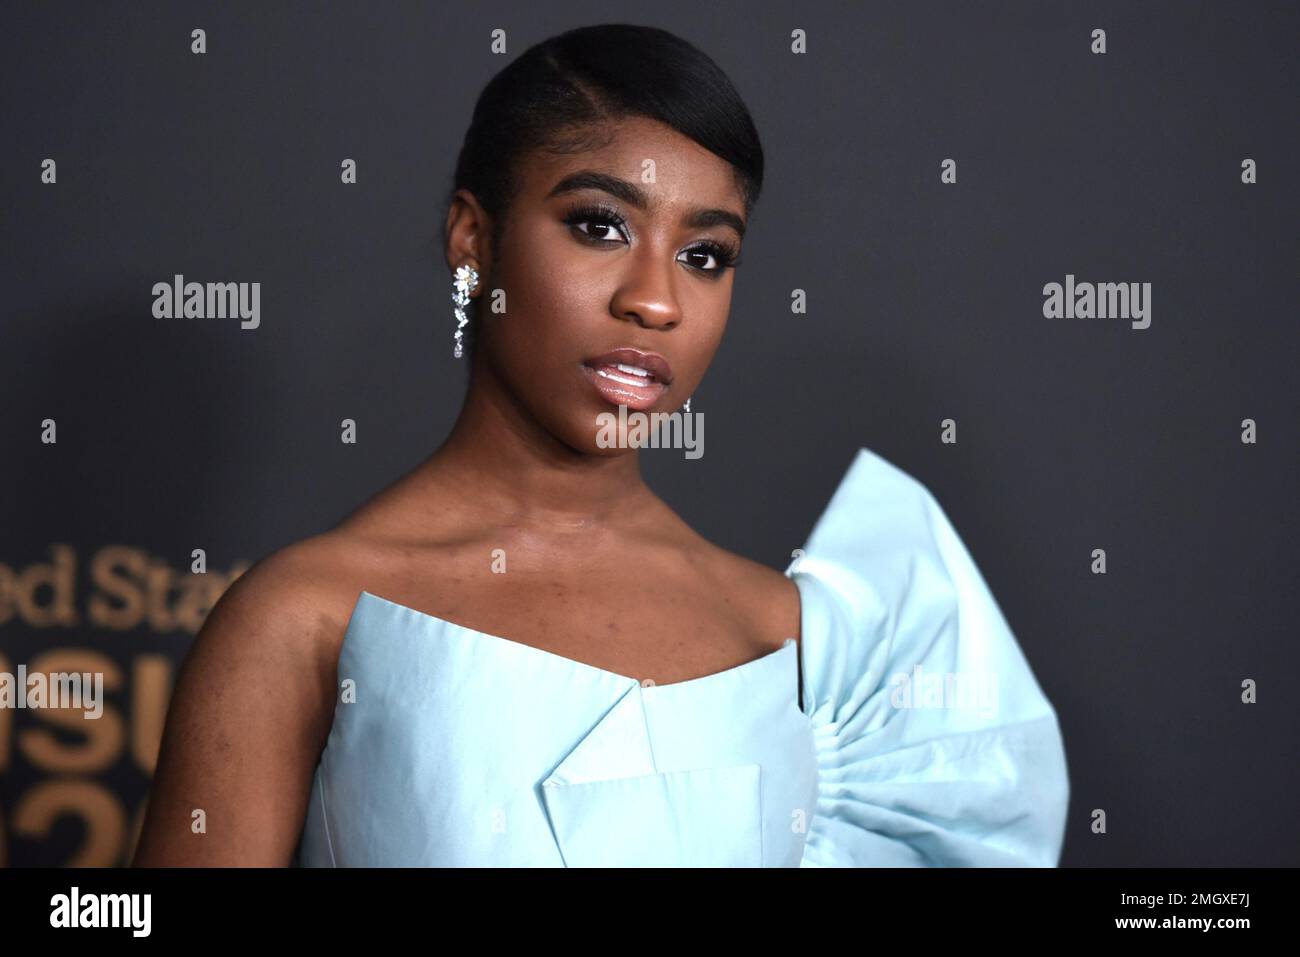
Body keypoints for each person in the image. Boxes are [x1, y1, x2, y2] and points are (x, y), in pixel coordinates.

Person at [131, 23, 1068, 868]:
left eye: (706, 255)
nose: (655, 299)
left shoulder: (797, 640)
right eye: (599, 226)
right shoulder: (309, 617)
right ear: (474, 240)